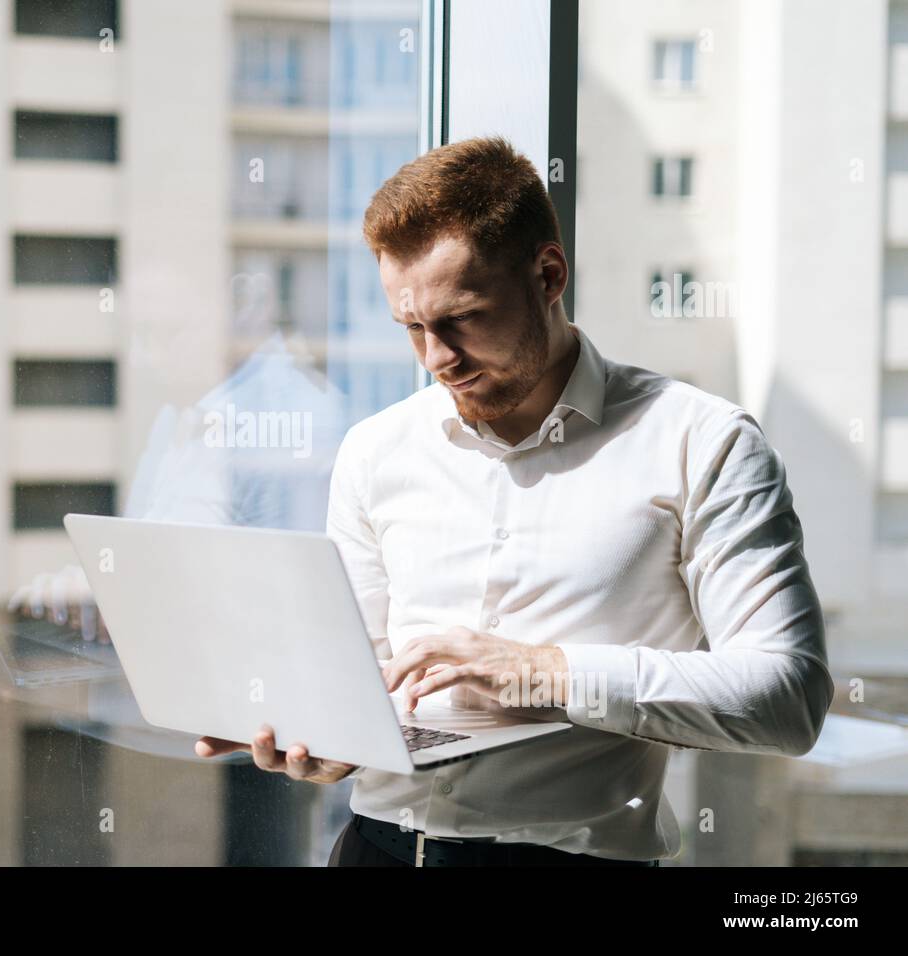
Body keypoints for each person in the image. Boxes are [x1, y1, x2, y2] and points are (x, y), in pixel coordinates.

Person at [195, 135, 835, 867]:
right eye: (412, 328)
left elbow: (787, 698)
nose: (438, 358)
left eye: (462, 318)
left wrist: (539, 671)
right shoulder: (375, 452)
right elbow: (366, 693)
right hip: (371, 850)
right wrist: (323, 746)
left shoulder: (702, 442)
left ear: (549, 273)